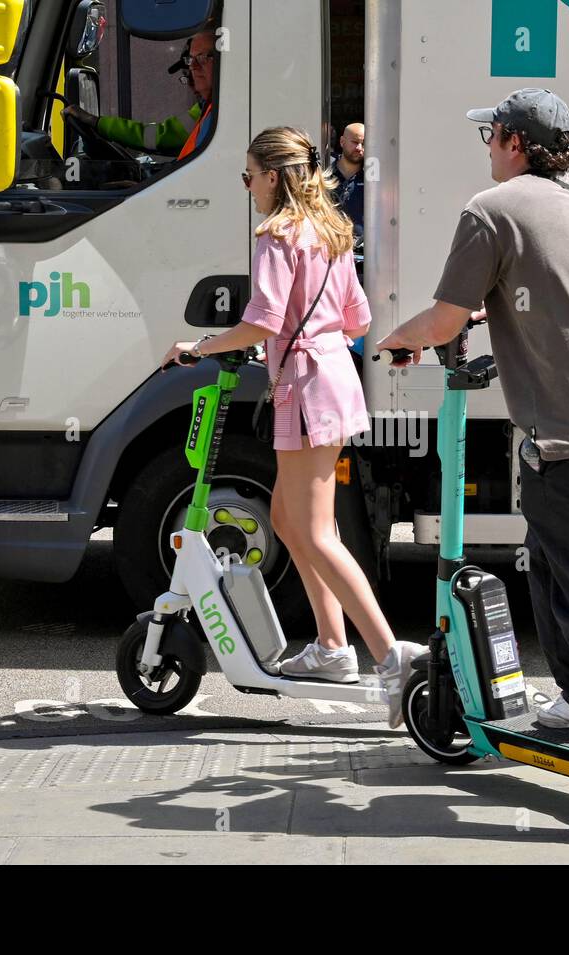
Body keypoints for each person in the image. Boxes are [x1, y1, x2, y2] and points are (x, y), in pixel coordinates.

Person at [376, 89, 569, 837]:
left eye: (490, 136)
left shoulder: (492, 209)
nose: (486, 149)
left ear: (513, 141)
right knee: (546, 557)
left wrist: (396, 339)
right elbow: (561, 291)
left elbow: (443, 318)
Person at [160, 126, 425, 727]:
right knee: (289, 520)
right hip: (329, 380)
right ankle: (332, 647)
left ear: (274, 177)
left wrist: (200, 347)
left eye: (249, 175)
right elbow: (355, 320)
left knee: (316, 532)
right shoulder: (332, 231)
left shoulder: (277, 235)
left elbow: (264, 318)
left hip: (305, 389)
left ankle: (390, 657)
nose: (248, 186)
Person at [63, 31, 216, 159]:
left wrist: (97, 123)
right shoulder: (207, 110)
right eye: (190, 61)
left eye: (202, 58)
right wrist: (98, 123)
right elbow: (158, 136)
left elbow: (157, 138)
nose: (194, 69)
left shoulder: (219, 112)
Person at [329, 122, 365, 235]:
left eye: (363, 143)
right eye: (355, 142)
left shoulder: (373, 178)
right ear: (342, 141)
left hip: (363, 250)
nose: (359, 148)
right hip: (328, 248)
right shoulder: (324, 172)